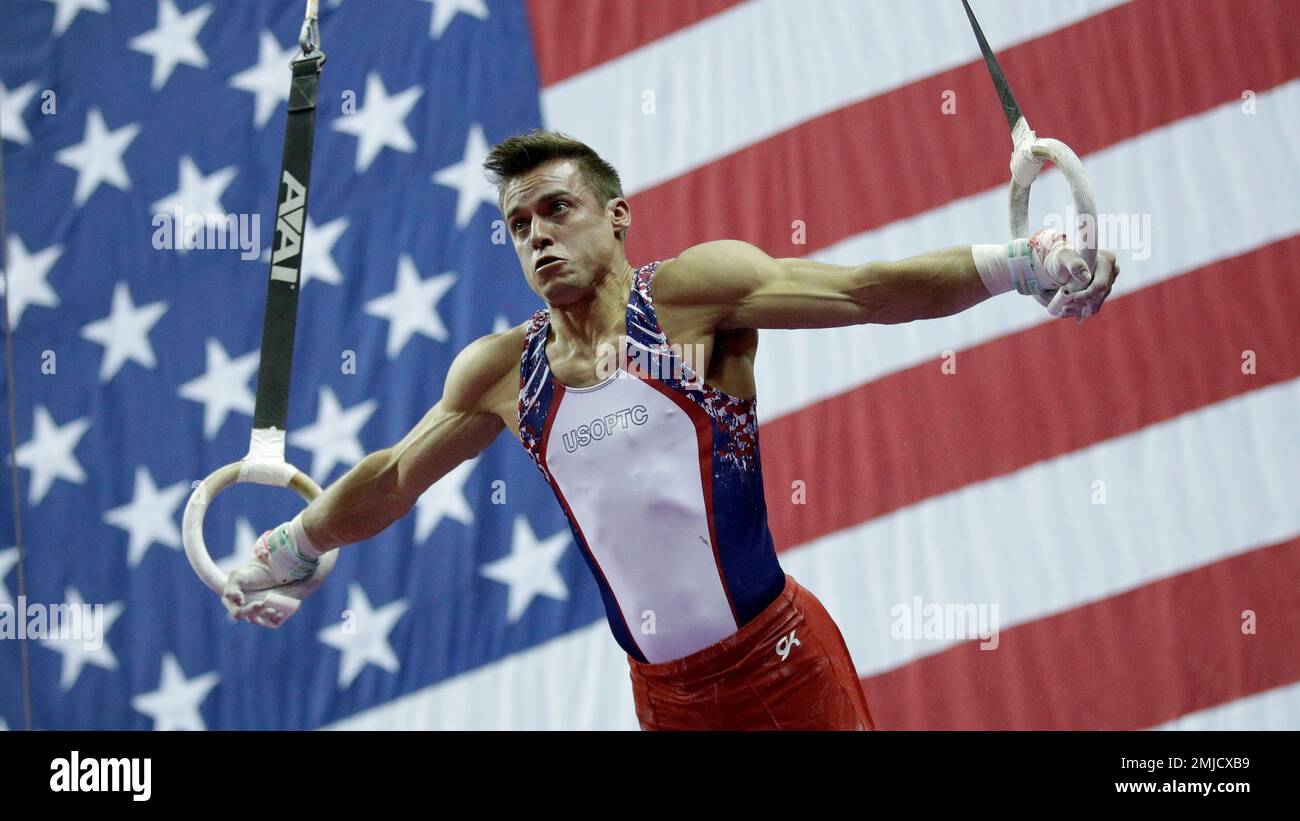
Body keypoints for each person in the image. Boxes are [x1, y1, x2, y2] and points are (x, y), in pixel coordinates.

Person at [223, 129, 1118, 730]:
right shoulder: (503, 373)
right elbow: (392, 477)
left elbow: (866, 292)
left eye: (557, 209)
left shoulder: (689, 300)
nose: (537, 235)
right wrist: (296, 543)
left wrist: (1018, 265)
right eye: (518, 223)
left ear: (616, 217)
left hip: (780, 663)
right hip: (663, 700)